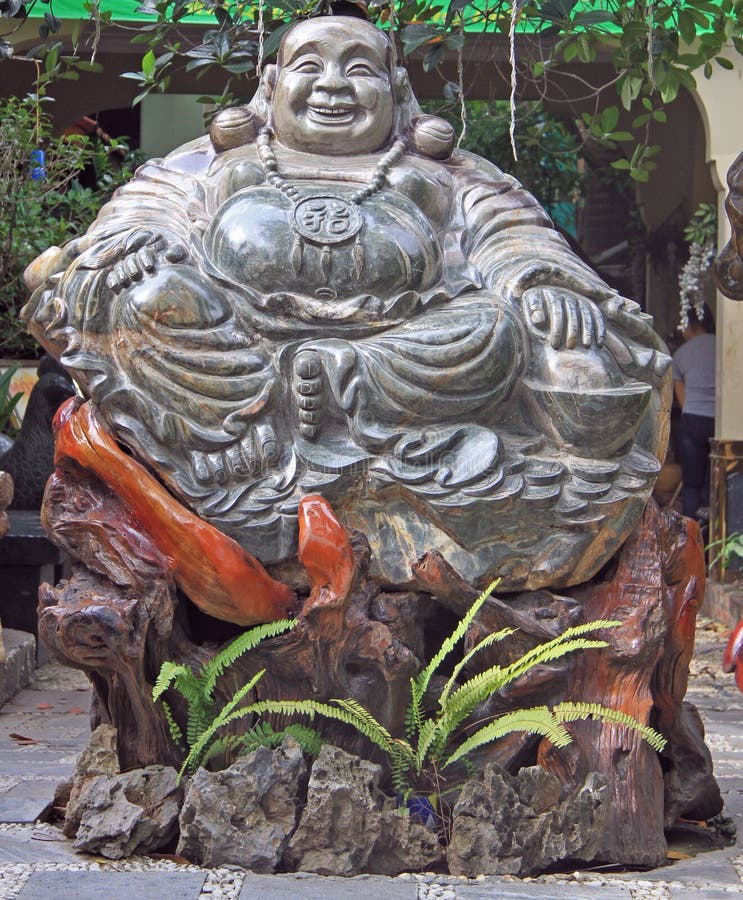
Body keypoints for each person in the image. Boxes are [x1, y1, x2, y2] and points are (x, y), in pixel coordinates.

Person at [21, 15, 672, 594]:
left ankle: (337, 385)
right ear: (270, 86)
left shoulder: (450, 173)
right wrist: (129, 250)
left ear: (396, 90)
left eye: (357, 68)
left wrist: (537, 279)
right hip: (237, 344)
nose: (332, 84)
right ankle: (231, 440)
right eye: (310, 66)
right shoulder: (203, 165)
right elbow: (137, 220)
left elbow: (513, 233)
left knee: (490, 331)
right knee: (147, 297)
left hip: (399, 343)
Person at [672, 305, 716, 519]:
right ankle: (713, 541)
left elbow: (682, 400)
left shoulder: (680, 354)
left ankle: (690, 540)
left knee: (691, 486)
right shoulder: (724, 344)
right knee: (714, 486)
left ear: (692, 325)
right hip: (721, 422)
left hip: (692, 420)